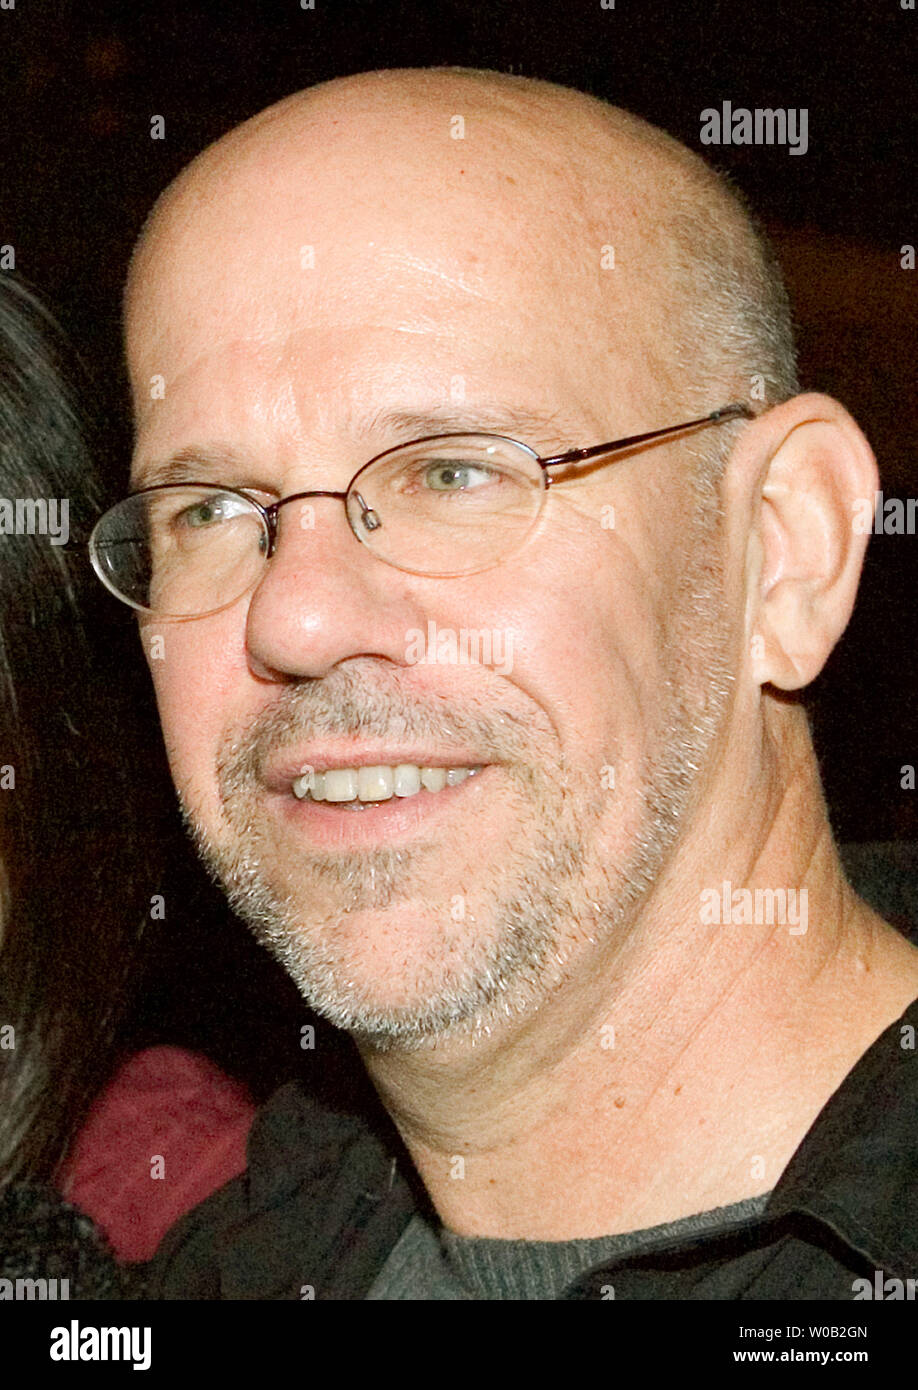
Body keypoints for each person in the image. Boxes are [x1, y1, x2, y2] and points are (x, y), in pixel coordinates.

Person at [95, 67, 918, 1300]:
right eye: (214, 508)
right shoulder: (224, 1260)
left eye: (452, 473)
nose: (299, 614)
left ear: (784, 551)